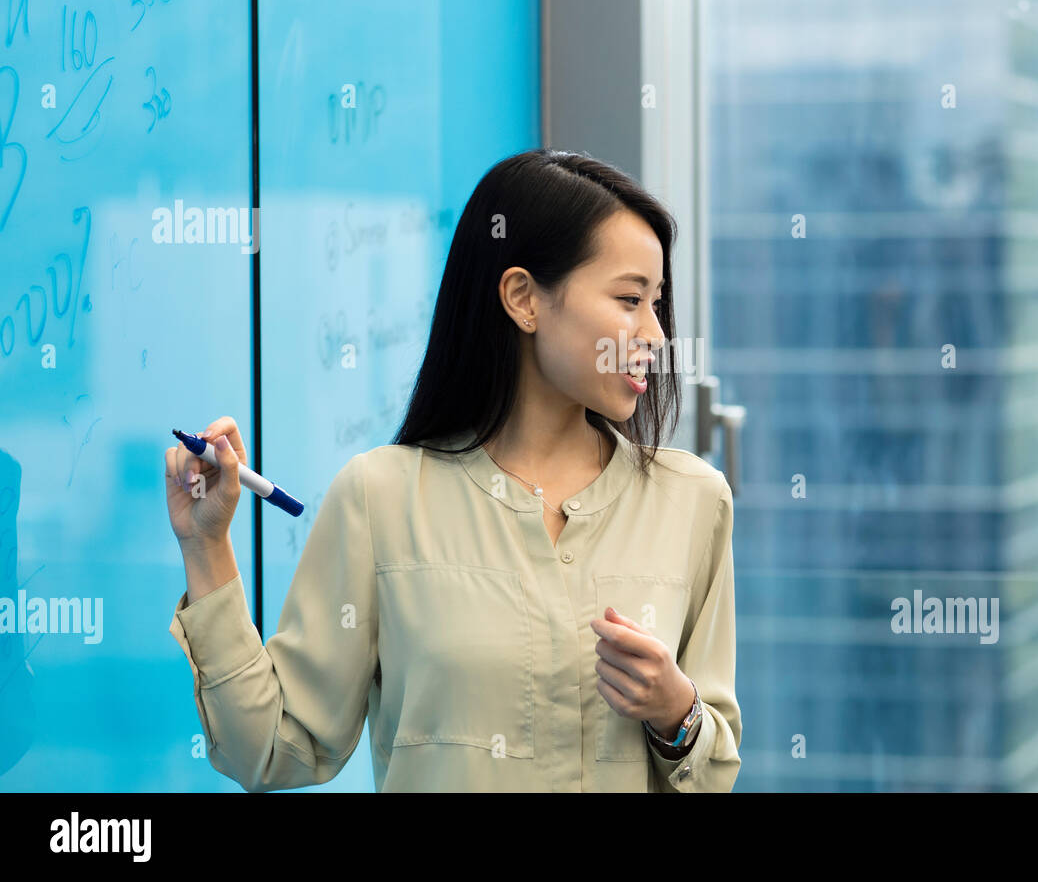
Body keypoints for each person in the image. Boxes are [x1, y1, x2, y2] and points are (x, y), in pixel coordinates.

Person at [164, 148, 741, 792]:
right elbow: (274, 749)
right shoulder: (380, 499)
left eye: (656, 303)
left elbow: (713, 775)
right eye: (630, 299)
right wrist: (207, 546)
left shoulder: (693, 502)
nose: (656, 336)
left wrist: (676, 714)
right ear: (523, 298)